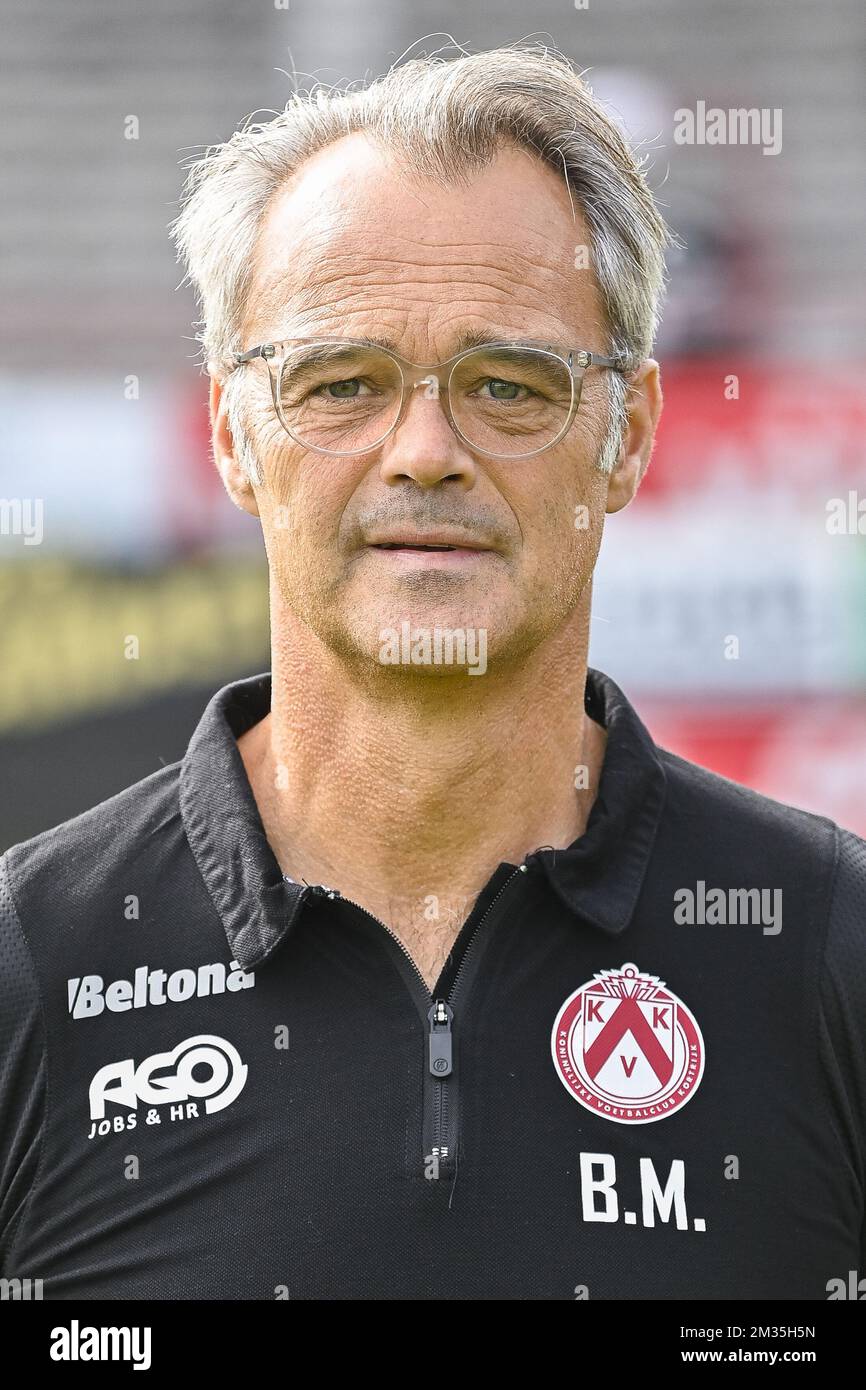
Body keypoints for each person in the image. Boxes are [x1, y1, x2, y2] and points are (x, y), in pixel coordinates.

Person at [1, 43, 863, 1301]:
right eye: (339, 383)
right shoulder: (30, 964)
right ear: (231, 437)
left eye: (507, 384)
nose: (423, 451)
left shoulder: (830, 951)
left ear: (626, 435)